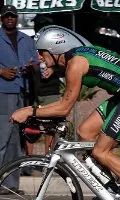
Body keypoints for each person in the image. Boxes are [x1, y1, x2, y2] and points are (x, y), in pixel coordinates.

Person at [10, 26, 120, 200]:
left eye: (42, 52)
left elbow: (64, 107)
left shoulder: (75, 64)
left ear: (55, 49)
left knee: (101, 152)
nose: (38, 57)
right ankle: (112, 187)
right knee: (85, 132)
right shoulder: (78, 55)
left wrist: (30, 110)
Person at [0, 4, 39, 194]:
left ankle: (10, 185)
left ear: (17, 18)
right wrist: (1, 71)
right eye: (6, 16)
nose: (10, 19)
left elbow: (36, 62)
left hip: (22, 93)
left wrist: (33, 67)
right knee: (1, 138)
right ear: (1, 18)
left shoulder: (26, 39)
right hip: (3, 92)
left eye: (12, 16)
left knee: (15, 141)